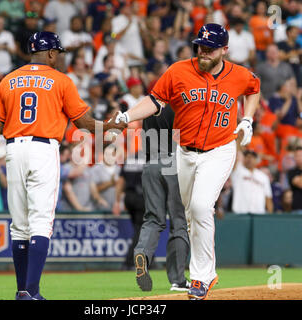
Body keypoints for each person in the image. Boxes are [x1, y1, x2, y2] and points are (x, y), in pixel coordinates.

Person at [115, 23, 260, 300]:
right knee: (192, 216)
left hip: (219, 149)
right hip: (184, 152)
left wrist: (247, 119)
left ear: (224, 50)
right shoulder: (178, 70)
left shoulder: (239, 74)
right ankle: (203, 273)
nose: (203, 51)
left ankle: (201, 277)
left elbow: (253, 88)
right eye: (200, 46)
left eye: (210, 48)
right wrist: (126, 116)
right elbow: (155, 101)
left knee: (200, 207)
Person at [0, 31, 126, 300]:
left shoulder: (9, 79)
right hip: (43, 149)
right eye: (58, 53)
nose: (59, 58)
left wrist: (19, 126)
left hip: (14, 150)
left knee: (19, 225)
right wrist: (111, 125)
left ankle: (22, 291)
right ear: (50, 53)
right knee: (41, 222)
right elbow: (84, 124)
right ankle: (32, 292)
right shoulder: (60, 80)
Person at [133, 105, 190, 292]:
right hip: (174, 163)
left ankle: (142, 254)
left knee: (153, 219)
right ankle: (178, 279)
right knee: (179, 222)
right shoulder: (180, 105)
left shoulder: (149, 107)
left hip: (150, 165)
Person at [231, 149, 273, 214]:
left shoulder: (263, 177)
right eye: (247, 157)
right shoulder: (237, 172)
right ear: (243, 159)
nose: (249, 159)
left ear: (256, 160)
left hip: (259, 213)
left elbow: (268, 198)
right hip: (240, 213)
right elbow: (235, 157)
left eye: (252, 157)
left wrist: (270, 215)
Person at [287, 146, 302, 213]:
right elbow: (300, 184)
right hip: (297, 208)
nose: (297, 158)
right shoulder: (292, 172)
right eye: (296, 156)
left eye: (300, 155)